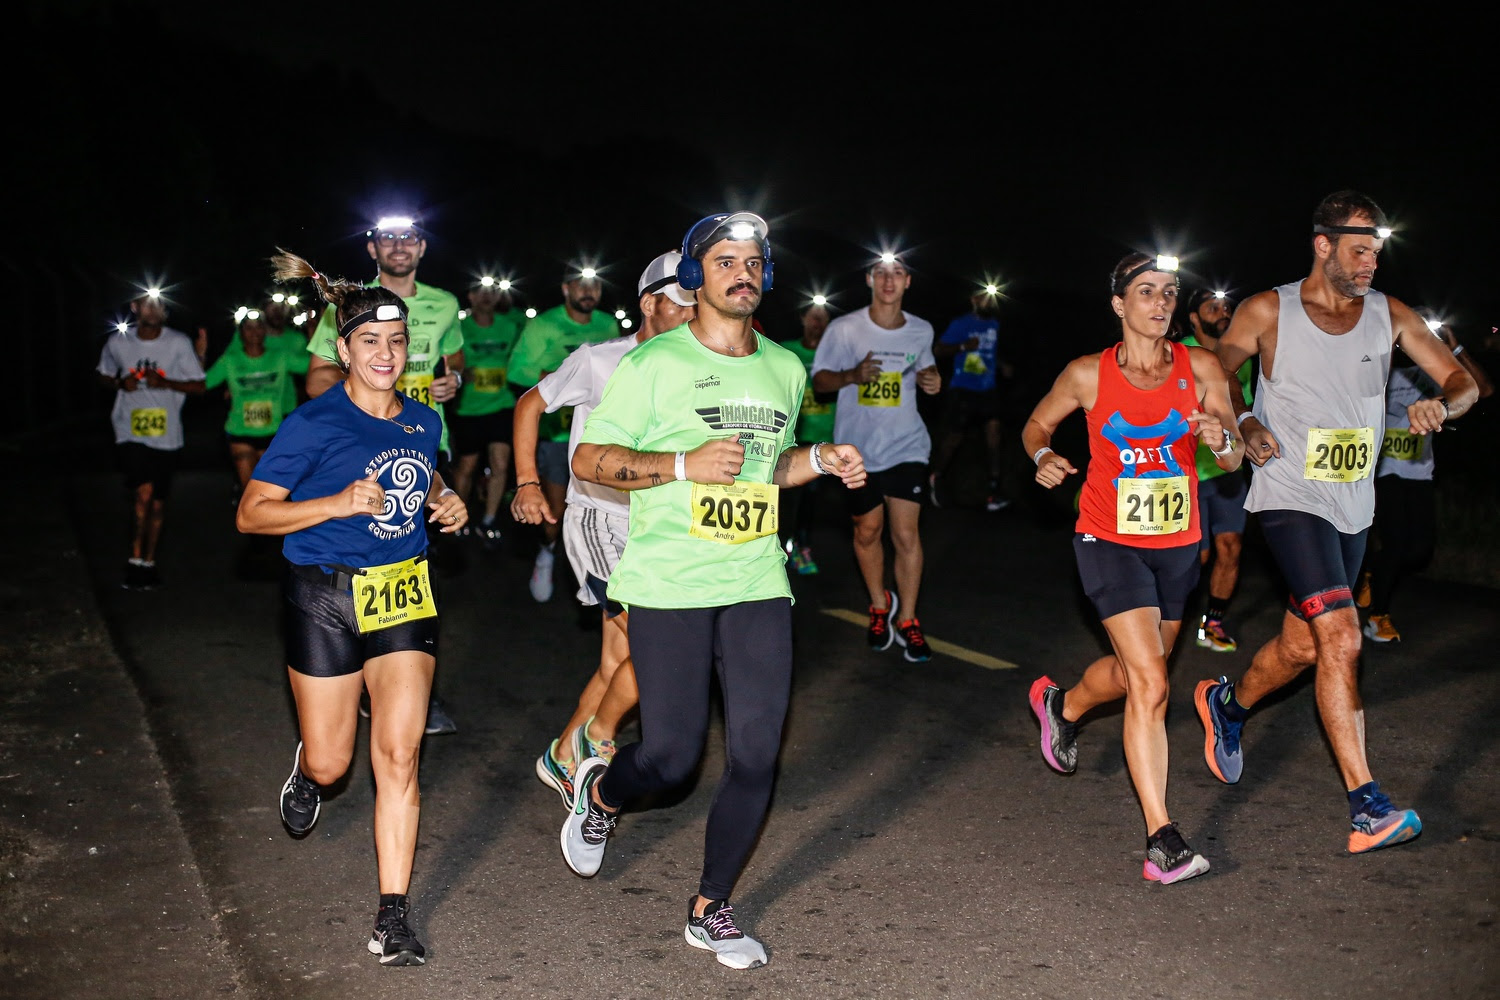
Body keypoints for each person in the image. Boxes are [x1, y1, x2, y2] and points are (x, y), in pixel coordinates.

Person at [564, 213, 866, 970]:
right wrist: (678, 467)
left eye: (754, 261)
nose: (742, 272)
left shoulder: (786, 369)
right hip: (668, 583)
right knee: (671, 760)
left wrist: (820, 460)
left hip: (757, 579)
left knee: (758, 754)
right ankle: (602, 796)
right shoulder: (654, 364)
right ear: (696, 277)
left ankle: (711, 907)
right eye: (725, 260)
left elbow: (769, 466)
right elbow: (590, 461)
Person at [1197, 190, 1478, 855]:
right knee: (1343, 636)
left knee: (1303, 647)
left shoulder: (1391, 315)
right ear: (1322, 244)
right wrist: (1243, 419)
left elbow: (1462, 381)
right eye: (1358, 249)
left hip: (1354, 504)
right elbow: (1218, 369)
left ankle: (1227, 706)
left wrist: (1445, 404)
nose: (1369, 262)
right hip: (1290, 494)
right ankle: (1366, 807)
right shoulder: (1269, 309)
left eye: (1376, 251)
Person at [236, 249, 468, 967]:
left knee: (399, 756)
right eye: (370, 341)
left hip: (402, 593)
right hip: (324, 596)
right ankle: (308, 774)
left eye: (397, 341)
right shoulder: (313, 422)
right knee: (338, 765)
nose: (387, 354)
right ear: (343, 349)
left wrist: (442, 499)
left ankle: (392, 915)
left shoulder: (423, 419)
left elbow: (416, 476)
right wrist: (334, 503)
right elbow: (251, 515)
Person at [1022, 251, 1244, 884]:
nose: (1161, 302)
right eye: (1146, 292)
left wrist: (1219, 440)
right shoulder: (1087, 374)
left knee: (1131, 673)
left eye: (1170, 292)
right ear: (1120, 305)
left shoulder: (1202, 367)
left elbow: (1230, 463)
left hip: (1177, 544)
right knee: (1152, 684)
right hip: (1106, 538)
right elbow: (1037, 424)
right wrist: (1042, 454)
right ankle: (1162, 839)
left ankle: (1062, 707)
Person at [513, 251, 696, 810]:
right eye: (683, 306)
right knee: (658, 641)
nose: (693, 317)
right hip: (598, 517)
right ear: (650, 302)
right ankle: (594, 742)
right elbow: (529, 404)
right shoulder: (599, 359)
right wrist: (526, 482)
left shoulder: (693, 367)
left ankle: (564, 756)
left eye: (699, 307)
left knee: (620, 660)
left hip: (657, 526)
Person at [303, 215, 464, 736]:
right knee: (368, 559)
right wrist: (367, 399)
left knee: (417, 564)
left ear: (422, 246)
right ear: (373, 248)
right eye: (388, 237)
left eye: (409, 237)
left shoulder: (443, 304)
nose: (399, 245)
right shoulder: (346, 309)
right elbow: (316, 379)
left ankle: (405, 687)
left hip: (424, 446)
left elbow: (454, 363)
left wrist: (450, 383)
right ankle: (355, 678)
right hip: (362, 455)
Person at [811, 253, 942, 661]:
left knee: (906, 535)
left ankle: (909, 618)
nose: (889, 280)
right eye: (881, 273)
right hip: (857, 449)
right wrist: (852, 375)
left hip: (907, 445)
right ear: (870, 279)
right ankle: (879, 605)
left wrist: (933, 381)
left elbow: (928, 374)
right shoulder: (845, 328)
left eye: (898, 273)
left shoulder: (921, 330)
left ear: (907, 283)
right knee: (868, 531)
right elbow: (820, 380)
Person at [1357, 315, 1492, 641]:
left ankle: (1370, 571)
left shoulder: (1434, 374)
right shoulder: (1385, 370)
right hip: (1384, 469)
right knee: (1397, 541)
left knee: (1420, 550)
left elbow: (1483, 390)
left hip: (1420, 470)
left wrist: (1452, 344)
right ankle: (1378, 617)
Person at [504, 267, 620, 602]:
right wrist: (568, 379)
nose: (589, 291)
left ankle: (604, 575)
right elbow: (516, 371)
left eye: (595, 285)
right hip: (557, 434)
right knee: (556, 509)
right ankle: (547, 551)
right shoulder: (543, 325)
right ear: (566, 288)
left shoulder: (607, 325)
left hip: (599, 434)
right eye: (581, 285)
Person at [96, 287, 206, 590]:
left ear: (166, 311)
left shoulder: (178, 343)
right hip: (128, 430)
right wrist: (121, 382)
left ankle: (149, 561)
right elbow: (102, 375)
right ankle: (134, 560)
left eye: (159, 306)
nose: (153, 311)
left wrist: (165, 381)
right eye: (148, 305)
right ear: (135, 307)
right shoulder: (118, 341)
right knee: (142, 495)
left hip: (167, 433)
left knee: (157, 503)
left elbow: (199, 386)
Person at [1174, 288, 1253, 652]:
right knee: (1198, 556)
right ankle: (1170, 616)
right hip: (1187, 472)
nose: (1223, 312)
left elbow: (1245, 407)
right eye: (1212, 307)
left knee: (1231, 546)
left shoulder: (1242, 356)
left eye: (1227, 306)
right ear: (1193, 317)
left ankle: (1213, 623)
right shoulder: (1179, 354)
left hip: (1227, 469)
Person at [450, 275, 525, 548]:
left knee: (500, 464)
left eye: (491, 292)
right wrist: (459, 372)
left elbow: (522, 360)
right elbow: (450, 361)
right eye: (479, 292)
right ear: (470, 296)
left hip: (502, 406)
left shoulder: (511, 326)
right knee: (466, 467)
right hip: (469, 408)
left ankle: (490, 521)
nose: (486, 297)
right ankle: (457, 517)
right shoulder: (460, 328)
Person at [929, 285, 1014, 512]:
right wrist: (963, 346)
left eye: (991, 300)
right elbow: (938, 350)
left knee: (994, 434)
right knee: (955, 436)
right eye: (984, 299)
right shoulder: (962, 323)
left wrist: (1002, 365)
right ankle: (936, 476)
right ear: (974, 299)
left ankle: (994, 490)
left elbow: (991, 353)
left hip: (988, 388)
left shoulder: (994, 324)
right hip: (963, 388)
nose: (988, 303)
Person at [203, 308, 303, 497]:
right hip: (240, 433)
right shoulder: (230, 360)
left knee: (271, 496)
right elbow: (203, 383)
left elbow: (314, 368)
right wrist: (200, 357)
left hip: (273, 433)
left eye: (259, 327)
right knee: (249, 493)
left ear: (265, 331)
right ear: (241, 333)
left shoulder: (280, 356)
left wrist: (318, 336)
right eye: (248, 328)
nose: (254, 332)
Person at [777, 299, 836, 574]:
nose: (818, 324)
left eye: (823, 319)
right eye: (813, 317)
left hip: (825, 438)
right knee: (789, 499)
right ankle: (785, 548)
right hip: (794, 436)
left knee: (811, 502)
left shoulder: (836, 354)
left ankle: (802, 546)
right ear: (802, 319)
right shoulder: (788, 351)